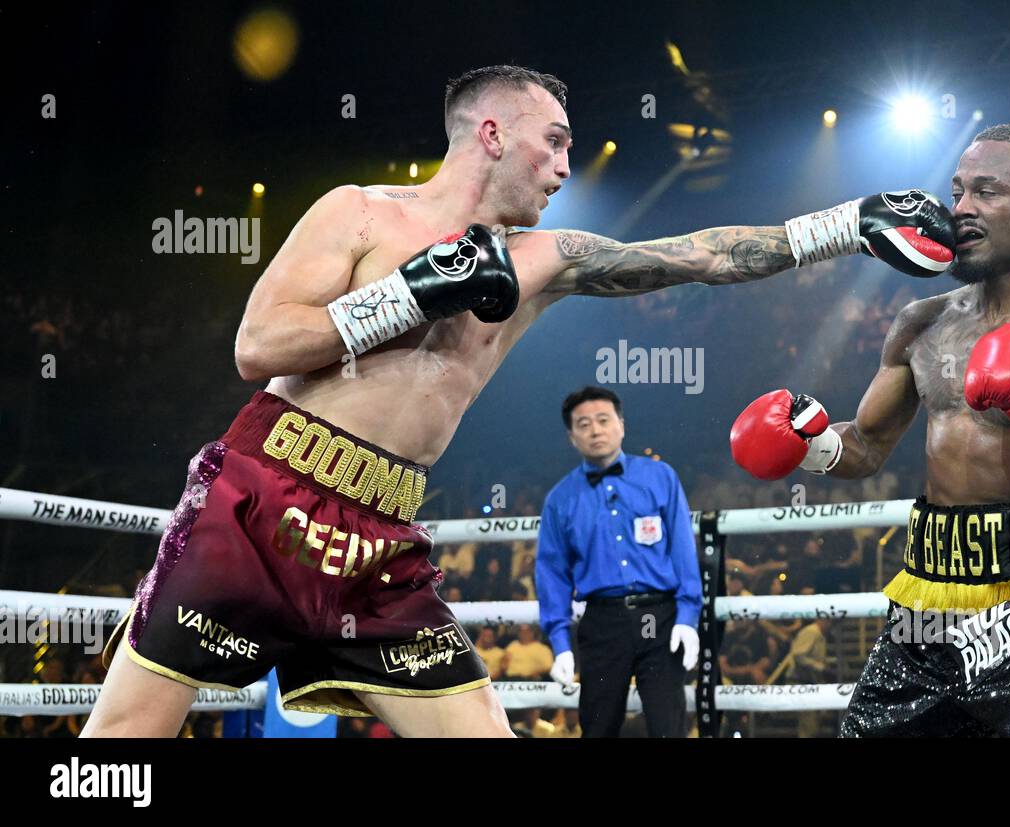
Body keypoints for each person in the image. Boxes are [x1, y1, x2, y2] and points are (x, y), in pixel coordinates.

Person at [83, 64, 954, 738]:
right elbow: (258, 347)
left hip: (382, 535)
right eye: (556, 141)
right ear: (492, 132)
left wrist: (845, 225)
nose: (568, 165)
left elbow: (699, 255)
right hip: (261, 499)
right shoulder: (359, 214)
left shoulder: (545, 258)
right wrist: (413, 291)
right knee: (124, 737)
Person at [732, 123, 1010, 737]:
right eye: (958, 190)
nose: (960, 209)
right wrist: (811, 443)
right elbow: (867, 445)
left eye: (986, 192)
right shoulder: (921, 321)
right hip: (925, 598)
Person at [534, 386, 702, 737]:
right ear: (571, 436)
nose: (595, 430)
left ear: (621, 425)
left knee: (668, 725)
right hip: (603, 622)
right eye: (584, 424)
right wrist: (561, 643)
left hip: (657, 619)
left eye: (603, 420)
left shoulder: (660, 478)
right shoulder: (560, 500)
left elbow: (683, 551)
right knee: (598, 726)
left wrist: (688, 616)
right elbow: (552, 573)